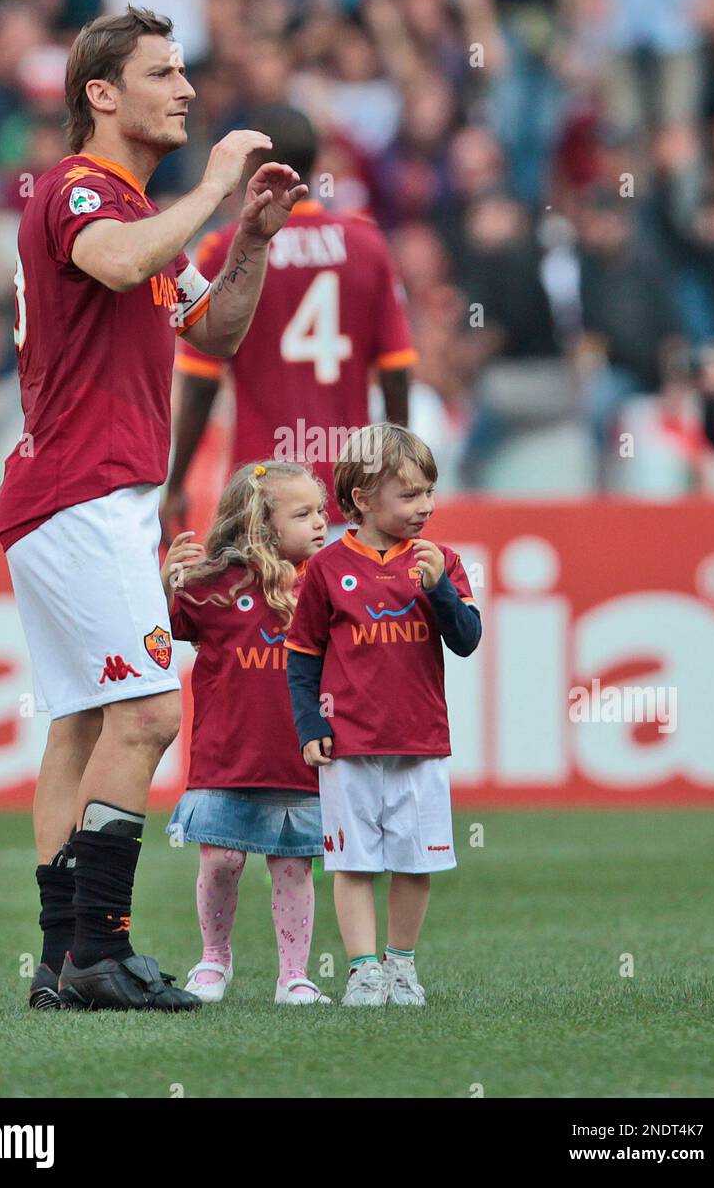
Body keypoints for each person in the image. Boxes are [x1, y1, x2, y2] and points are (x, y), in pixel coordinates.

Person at [0, 4, 308, 1012]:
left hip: (78, 492)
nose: (183, 89)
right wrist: (215, 187)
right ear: (102, 93)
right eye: (163, 73)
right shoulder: (79, 192)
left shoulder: (125, 207)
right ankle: (101, 949)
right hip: (82, 490)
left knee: (83, 726)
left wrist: (249, 239)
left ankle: (59, 960)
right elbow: (121, 263)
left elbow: (209, 327)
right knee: (152, 707)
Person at [285, 423, 481, 1008]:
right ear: (363, 499)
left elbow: (467, 639)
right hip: (349, 743)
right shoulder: (324, 569)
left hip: (420, 741)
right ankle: (363, 970)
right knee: (352, 861)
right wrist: (310, 726)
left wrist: (440, 589)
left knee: (415, 861)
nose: (425, 507)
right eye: (410, 494)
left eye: (429, 492)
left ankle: (402, 965)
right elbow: (302, 657)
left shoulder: (441, 560)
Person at [162, 104, 416, 538]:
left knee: (267, 606)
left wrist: (178, 484)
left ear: (256, 167)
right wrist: (399, 475)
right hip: (347, 493)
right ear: (315, 162)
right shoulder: (366, 245)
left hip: (262, 497)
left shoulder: (226, 248)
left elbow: (202, 380)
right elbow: (396, 373)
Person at [162, 460, 332, 1006]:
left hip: (297, 756)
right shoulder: (214, 588)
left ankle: (295, 975)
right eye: (303, 514)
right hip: (226, 756)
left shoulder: (325, 585)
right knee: (221, 861)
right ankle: (214, 959)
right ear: (260, 524)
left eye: (321, 511)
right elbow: (162, 636)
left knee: (292, 865)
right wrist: (167, 582)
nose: (320, 523)